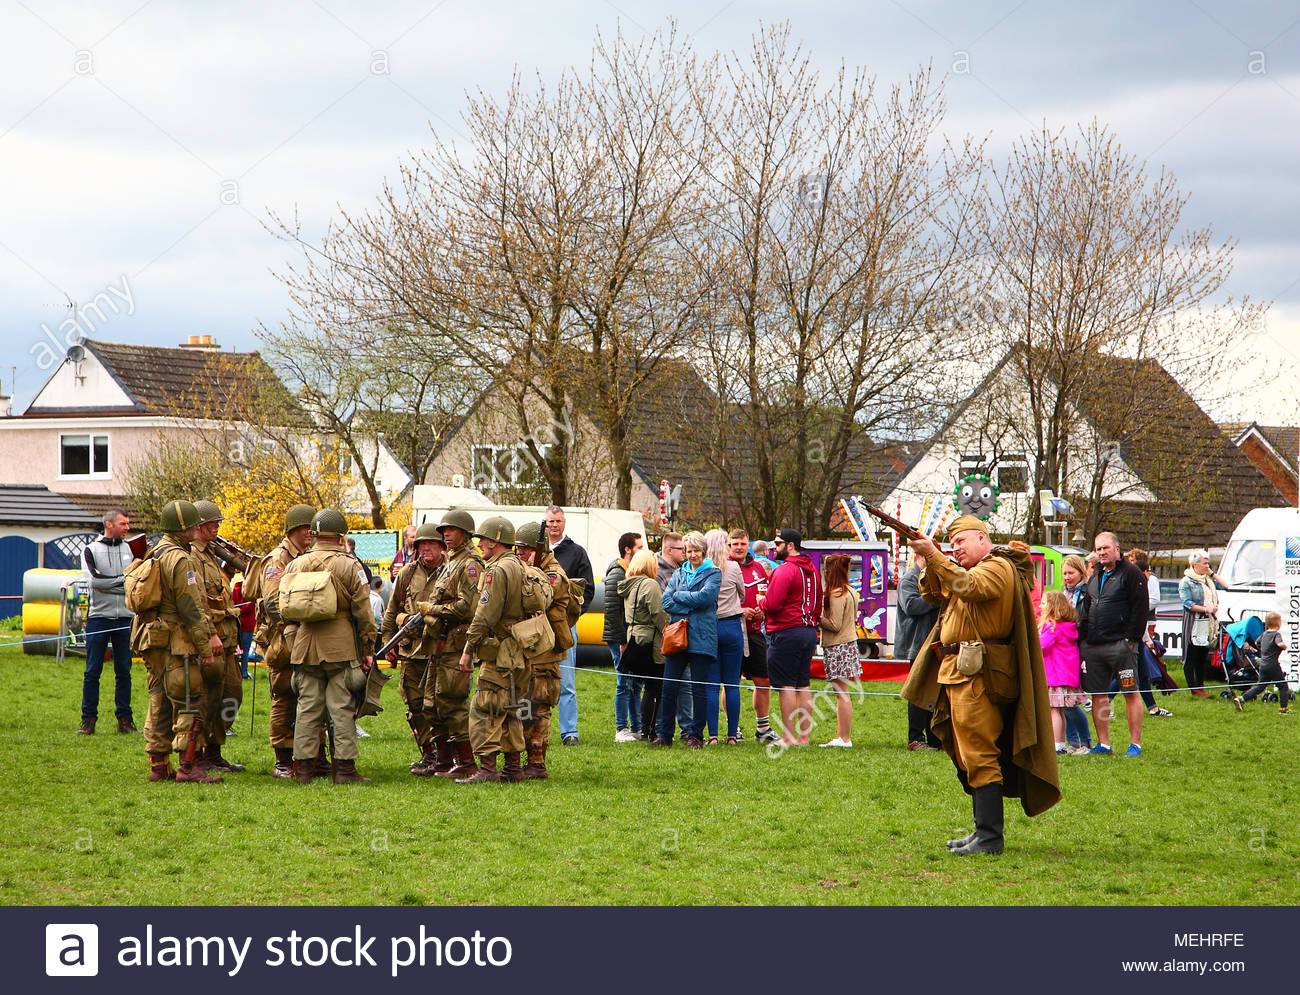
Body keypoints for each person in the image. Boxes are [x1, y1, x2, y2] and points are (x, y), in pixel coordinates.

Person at [901, 516, 1060, 855]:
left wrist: (934, 554)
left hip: (978, 674)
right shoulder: (970, 570)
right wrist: (931, 558)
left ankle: (989, 837)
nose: (956, 548)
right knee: (967, 753)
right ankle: (981, 831)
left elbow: (968, 587)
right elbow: (933, 593)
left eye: (961, 541)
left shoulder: (996, 567)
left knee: (979, 751)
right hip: (959, 670)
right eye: (952, 544)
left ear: (982, 539)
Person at [282, 509, 377, 784]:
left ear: (313, 534)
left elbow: (284, 609)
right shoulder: (350, 565)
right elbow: (363, 611)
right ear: (340, 536)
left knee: (307, 708)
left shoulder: (296, 564)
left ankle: (302, 770)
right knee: (341, 708)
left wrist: (293, 642)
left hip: (305, 645)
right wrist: (367, 648)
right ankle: (344, 770)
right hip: (340, 646)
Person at [132, 500, 223, 783]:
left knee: (159, 700)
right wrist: (206, 646)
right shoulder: (181, 559)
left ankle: (159, 765)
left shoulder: (155, 550)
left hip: (152, 638)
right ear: (184, 528)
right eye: (194, 524)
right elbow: (191, 608)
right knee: (189, 699)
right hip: (176, 641)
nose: (198, 528)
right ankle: (187, 766)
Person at [458, 516, 531, 783]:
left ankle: (488, 769)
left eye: (483, 539)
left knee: (485, 706)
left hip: (499, 651)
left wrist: (468, 649)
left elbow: (484, 615)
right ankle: (512, 768)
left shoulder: (496, 570)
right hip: (520, 649)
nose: (479, 544)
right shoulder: (520, 565)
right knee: (512, 706)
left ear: (494, 541)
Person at [415, 510, 483, 779]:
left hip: (456, 643)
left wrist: (432, 610)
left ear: (465, 533)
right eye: (444, 531)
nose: (446, 535)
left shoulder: (470, 564)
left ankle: (466, 761)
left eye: (451, 530)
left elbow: (468, 607)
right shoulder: (451, 561)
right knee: (432, 703)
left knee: (452, 701)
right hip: (440, 643)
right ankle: (444, 761)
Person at [256, 503, 317, 778]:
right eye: (306, 528)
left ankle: (309, 756)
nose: (310, 533)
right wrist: (295, 623)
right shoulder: (277, 559)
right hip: (283, 637)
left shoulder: (306, 556)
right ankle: (282, 759)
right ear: (293, 529)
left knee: (308, 693)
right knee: (283, 694)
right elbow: (272, 602)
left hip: (303, 634)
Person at [381, 522, 446, 774]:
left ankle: (446, 755)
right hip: (411, 650)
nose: (426, 548)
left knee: (440, 705)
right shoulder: (407, 573)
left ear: (441, 546)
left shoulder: (450, 571)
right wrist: (389, 641)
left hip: (439, 650)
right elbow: (391, 611)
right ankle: (428, 753)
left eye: (431, 544)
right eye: (422, 544)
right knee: (414, 704)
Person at [1078, 531, 1149, 756]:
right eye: (1098, 549)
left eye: (1105, 548)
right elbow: (1087, 610)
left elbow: (1141, 607)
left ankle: (1135, 744)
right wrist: (1083, 641)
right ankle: (1104, 744)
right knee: (1098, 695)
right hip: (1094, 646)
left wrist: (1131, 639)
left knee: (1130, 692)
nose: (1101, 552)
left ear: (1117, 549)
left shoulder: (1131, 573)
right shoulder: (1094, 576)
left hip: (1121, 645)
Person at [514, 521, 573, 779]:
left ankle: (537, 762)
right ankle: (526, 757)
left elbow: (539, 598)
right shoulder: (527, 569)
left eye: (525, 549)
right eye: (517, 548)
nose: (520, 553)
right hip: (529, 648)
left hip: (546, 652)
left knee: (539, 706)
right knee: (524, 704)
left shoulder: (553, 575)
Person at [190, 500, 245, 774]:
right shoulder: (192, 556)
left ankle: (214, 750)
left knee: (231, 695)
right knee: (208, 699)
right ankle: (198, 754)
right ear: (200, 526)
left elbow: (219, 592)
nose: (217, 528)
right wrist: (209, 636)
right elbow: (198, 602)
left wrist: (230, 567)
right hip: (211, 638)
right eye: (213, 523)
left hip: (227, 639)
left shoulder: (212, 554)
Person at [655, 531, 720, 747]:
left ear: (704, 551)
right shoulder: (679, 573)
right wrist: (691, 604)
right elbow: (666, 602)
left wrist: (680, 596)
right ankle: (665, 735)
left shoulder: (714, 573)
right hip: (677, 636)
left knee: (698, 689)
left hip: (702, 637)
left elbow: (706, 598)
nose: (692, 555)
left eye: (696, 551)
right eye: (689, 551)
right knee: (669, 687)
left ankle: (695, 736)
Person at [759, 529, 822, 747]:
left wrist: (760, 602)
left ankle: (788, 738)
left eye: (778, 544)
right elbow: (818, 604)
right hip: (808, 631)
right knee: (803, 684)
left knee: (785, 685)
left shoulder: (785, 570)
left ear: (790, 545)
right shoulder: (813, 570)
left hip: (787, 631)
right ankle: (803, 738)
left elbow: (773, 603)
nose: (774, 548)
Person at [79, 508, 137, 735]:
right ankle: (88, 721)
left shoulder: (131, 549)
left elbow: (136, 582)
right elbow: (94, 582)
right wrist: (123, 582)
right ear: (109, 524)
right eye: (123, 524)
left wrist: (110, 583)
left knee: (124, 671)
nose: (127, 528)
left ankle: (125, 720)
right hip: (99, 618)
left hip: (125, 617)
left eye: (128, 523)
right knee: (92, 671)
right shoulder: (90, 550)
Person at [546, 506, 593, 745]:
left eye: (558, 521)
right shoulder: (534, 551)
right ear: (545, 524)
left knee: (566, 681)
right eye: (550, 521)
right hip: (535, 625)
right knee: (530, 679)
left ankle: (569, 732)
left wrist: (573, 616)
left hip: (565, 625)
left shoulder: (577, 553)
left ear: (564, 523)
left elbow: (588, 589)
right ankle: (530, 728)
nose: (554, 525)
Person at [731, 528, 778, 744]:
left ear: (748, 545)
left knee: (763, 680)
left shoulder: (759, 567)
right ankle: (733, 728)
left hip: (756, 632)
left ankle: (763, 729)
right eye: (735, 544)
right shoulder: (723, 567)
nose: (739, 547)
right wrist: (739, 610)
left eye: (743, 543)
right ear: (728, 546)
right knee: (731, 682)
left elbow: (765, 594)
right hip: (732, 631)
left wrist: (762, 609)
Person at [620, 550, 669, 738]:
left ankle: (645, 728)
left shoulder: (630, 584)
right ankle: (650, 730)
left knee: (645, 686)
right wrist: (668, 629)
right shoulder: (649, 584)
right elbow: (658, 613)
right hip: (650, 640)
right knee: (654, 687)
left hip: (634, 637)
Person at [704, 529, 745, 745]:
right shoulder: (734, 567)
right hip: (731, 626)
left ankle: (712, 735)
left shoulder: (702, 568)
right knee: (732, 684)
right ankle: (731, 735)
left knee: (711, 685)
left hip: (710, 626)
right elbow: (743, 594)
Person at [895, 555, 940, 751]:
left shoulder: (932, 578)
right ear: (921, 556)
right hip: (917, 644)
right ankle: (915, 738)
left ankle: (934, 738)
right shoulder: (909, 579)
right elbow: (911, 606)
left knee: (933, 691)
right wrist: (936, 597)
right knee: (917, 692)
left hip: (932, 644)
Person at [604, 531, 645, 742]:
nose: (642, 551)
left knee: (635, 684)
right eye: (639, 547)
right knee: (624, 683)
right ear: (627, 549)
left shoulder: (631, 572)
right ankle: (621, 728)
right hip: (620, 638)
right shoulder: (617, 574)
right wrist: (622, 641)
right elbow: (612, 611)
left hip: (631, 636)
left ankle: (637, 728)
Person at [818, 553, 860, 748]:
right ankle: (843, 736)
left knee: (841, 693)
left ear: (829, 572)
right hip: (849, 643)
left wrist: (816, 617)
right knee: (843, 693)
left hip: (838, 646)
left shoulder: (835, 594)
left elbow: (834, 624)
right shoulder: (851, 590)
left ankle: (843, 737)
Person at [1125, 548, 1171, 717]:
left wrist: (1146, 638)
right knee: (1129, 673)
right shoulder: (1135, 587)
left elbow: (1141, 616)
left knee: (1142, 673)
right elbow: (1137, 615)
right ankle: (1106, 700)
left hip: (1139, 636)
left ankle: (1153, 708)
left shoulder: (1143, 585)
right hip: (1132, 638)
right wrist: (1146, 639)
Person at [1039, 590, 1085, 754]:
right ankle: (1061, 743)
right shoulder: (1068, 627)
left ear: (1052, 607)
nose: (1040, 606)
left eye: (1043, 603)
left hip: (1054, 676)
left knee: (1054, 710)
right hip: (1067, 676)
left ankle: (1056, 745)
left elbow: (1042, 646)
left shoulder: (1052, 627)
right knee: (1060, 711)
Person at [656, 531, 693, 733]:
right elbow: (664, 604)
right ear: (669, 550)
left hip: (682, 632)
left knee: (685, 683)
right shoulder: (657, 572)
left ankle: (686, 728)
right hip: (667, 634)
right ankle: (662, 729)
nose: (686, 553)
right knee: (667, 685)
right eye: (682, 549)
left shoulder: (682, 570)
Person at [1179, 549, 1226, 699]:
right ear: (1195, 564)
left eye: (1208, 563)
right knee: (1191, 655)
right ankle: (1193, 688)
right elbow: (1187, 603)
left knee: (1202, 655)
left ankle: (1200, 686)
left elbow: (1226, 586)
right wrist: (1206, 609)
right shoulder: (1186, 582)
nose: (1207, 566)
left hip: (1207, 622)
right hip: (1194, 621)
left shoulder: (1208, 580)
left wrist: (1212, 573)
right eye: (1204, 563)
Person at [1058, 553, 1093, 753]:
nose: (1067, 577)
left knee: (1070, 701)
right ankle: (1072, 742)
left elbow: (1085, 622)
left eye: (1070, 573)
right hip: (1062, 651)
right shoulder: (1063, 594)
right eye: (1064, 573)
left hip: (1078, 649)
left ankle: (1085, 741)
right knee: (1062, 700)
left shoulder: (1087, 594)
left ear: (1081, 572)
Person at [1234, 611, 1291, 714]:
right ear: (1279, 624)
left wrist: (1263, 648)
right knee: (1283, 686)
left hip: (1263, 665)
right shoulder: (1276, 634)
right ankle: (1283, 709)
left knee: (1260, 687)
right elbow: (1279, 644)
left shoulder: (1264, 633)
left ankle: (1241, 699)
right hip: (1273, 665)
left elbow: (1256, 642)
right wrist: (1284, 646)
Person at [232, 575, 256, 679]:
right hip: (248, 625)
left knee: (235, 650)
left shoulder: (235, 588)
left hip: (237, 623)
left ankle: (236, 672)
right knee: (245, 650)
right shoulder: (251, 590)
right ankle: (244, 672)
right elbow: (248, 608)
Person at [368, 577, 385, 645]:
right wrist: (384, 624)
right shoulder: (378, 599)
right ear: (381, 586)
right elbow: (377, 616)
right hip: (376, 630)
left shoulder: (367, 596)